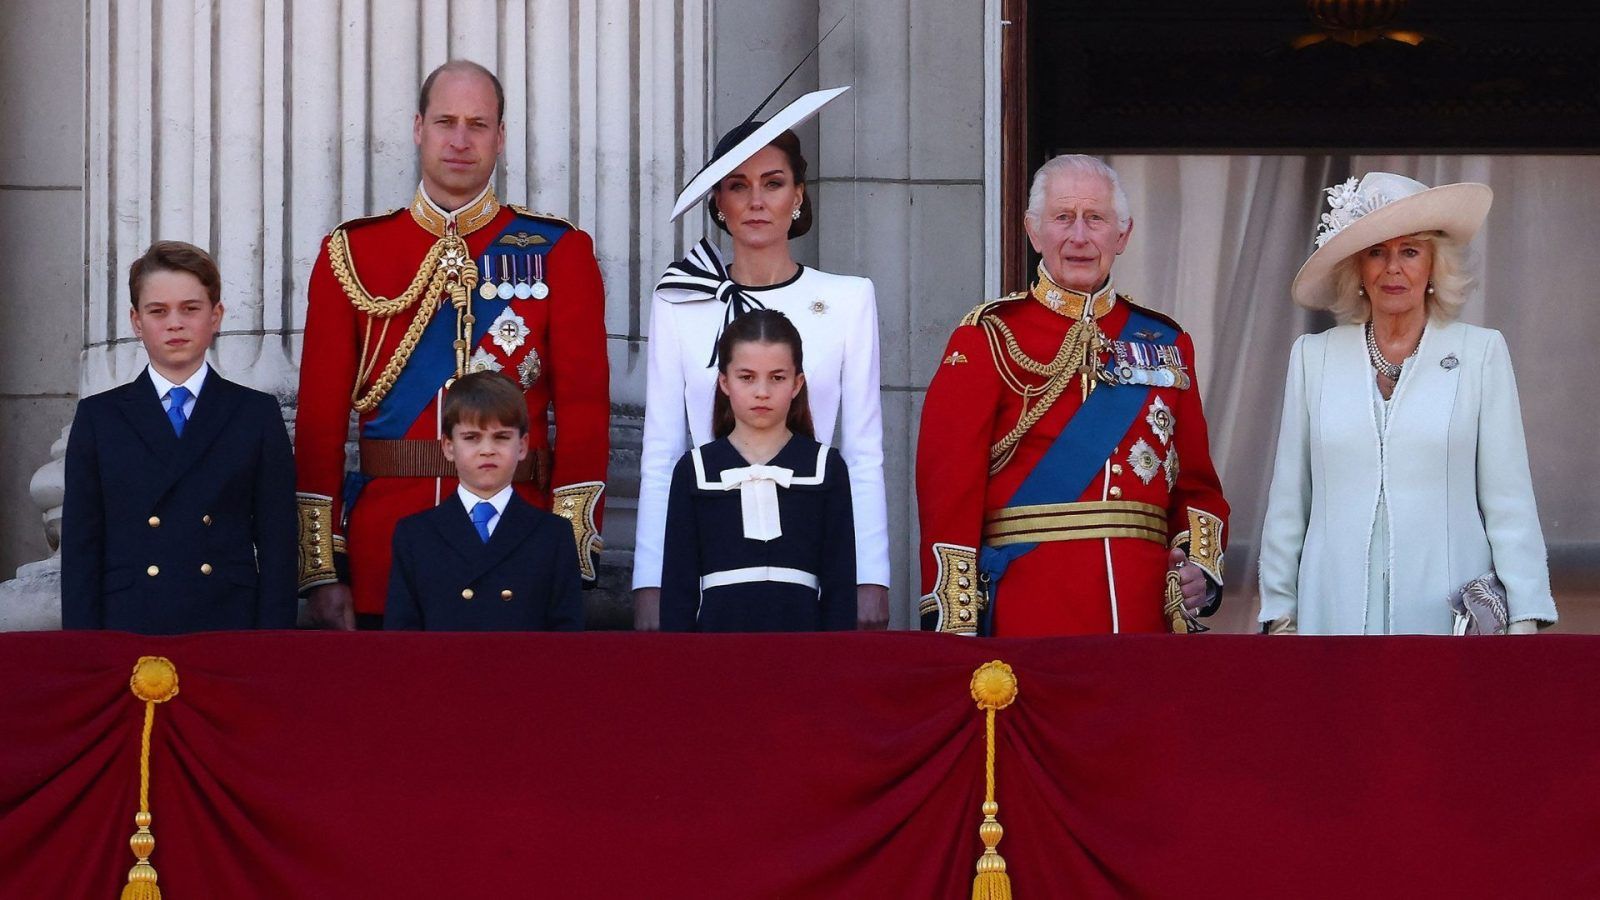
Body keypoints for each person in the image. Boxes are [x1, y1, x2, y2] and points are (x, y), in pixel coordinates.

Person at [294, 60, 610, 630]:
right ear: (418, 128)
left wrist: (569, 551)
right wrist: (323, 566)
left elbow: (585, 413)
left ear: (501, 136)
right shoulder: (352, 253)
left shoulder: (559, 250)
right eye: (445, 122)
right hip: (384, 551)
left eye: (478, 124)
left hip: (520, 549)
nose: (460, 140)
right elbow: (319, 422)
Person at [916, 155, 1230, 636]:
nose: (1079, 237)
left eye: (1096, 219)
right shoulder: (989, 337)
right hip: (1028, 611)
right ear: (1033, 231)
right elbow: (948, 488)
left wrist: (1197, 570)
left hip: (1142, 614)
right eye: (1063, 217)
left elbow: (1197, 485)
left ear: (1121, 236)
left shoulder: (1165, 343)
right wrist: (956, 624)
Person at [634, 85, 888, 631]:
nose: (755, 201)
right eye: (737, 186)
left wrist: (870, 576)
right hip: (708, 552)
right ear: (718, 204)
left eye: (773, 184)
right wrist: (651, 584)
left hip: (812, 546)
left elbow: (864, 451)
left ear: (798, 195)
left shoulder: (848, 299)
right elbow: (661, 451)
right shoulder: (681, 301)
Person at [1257, 172, 1557, 635]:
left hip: (1447, 614)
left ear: (1435, 267)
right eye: (1377, 252)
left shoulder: (1480, 353)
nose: (1392, 268)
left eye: (1410, 252)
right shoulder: (1313, 357)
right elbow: (1289, 501)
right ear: (1357, 268)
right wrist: (1280, 614)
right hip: (1331, 611)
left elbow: (1509, 500)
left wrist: (1523, 619)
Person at [61, 241, 297, 633]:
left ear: (216, 316)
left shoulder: (255, 414)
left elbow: (278, 545)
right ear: (137, 322)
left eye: (191, 308)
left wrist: (273, 646)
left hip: (228, 623)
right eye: (158, 311)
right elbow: (82, 549)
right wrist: (84, 651)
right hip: (128, 624)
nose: (175, 323)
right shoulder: (99, 417)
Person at [659, 310, 855, 632]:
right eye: (746, 377)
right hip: (717, 651)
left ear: (797, 383)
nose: (762, 391)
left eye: (777, 378)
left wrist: (834, 667)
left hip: (803, 650)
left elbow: (840, 588)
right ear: (724, 381)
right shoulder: (694, 470)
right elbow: (678, 589)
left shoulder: (826, 468)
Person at [384, 372, 583, 631]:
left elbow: (567, 641)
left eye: (501, 437)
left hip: (525, 669)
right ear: (448, 446)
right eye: (471, 438)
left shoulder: (553, 535)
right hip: (441, 670)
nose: (487, 449)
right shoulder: (415, 535)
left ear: (522, 446)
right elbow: (402, 641)